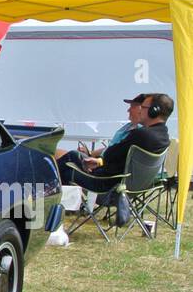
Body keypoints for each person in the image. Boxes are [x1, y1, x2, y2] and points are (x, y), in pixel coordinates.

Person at [58, 93, 173, 226]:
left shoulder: (141, 135)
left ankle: (45, 204)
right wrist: (100, 161)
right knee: (73, 157)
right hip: (131, 187)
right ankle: (64, 206)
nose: (140, 110)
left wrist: (100, 161)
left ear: (154, 111)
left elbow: (110, 154)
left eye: (143, 107)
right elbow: (115, 157)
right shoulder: (164, 137)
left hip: (106, 185)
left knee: (66, 164)